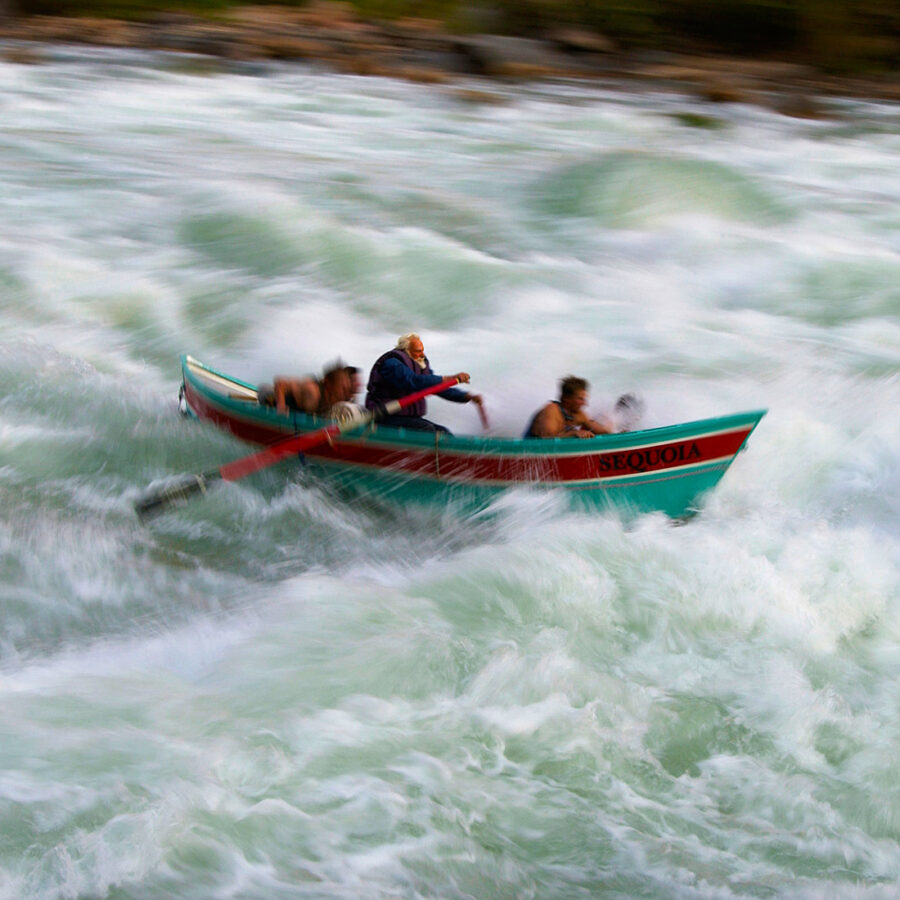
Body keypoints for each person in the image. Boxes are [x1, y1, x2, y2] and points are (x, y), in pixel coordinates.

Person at [364, 333, 483, 434]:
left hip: (409, 419)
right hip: (386, 418)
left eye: (422, 350)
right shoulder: (392, 364)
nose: (422, 355)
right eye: (418, 351)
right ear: (406, 351)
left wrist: (466, 396)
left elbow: (435, 387)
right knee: (427, 431)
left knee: (444, 433)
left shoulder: (419, 364)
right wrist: (449, 378)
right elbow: (412, 381)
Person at [524, 376, 615, 439]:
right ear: (567, 399)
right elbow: (546, 439)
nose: (585, 403)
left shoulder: (579, 414)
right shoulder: (551, 411)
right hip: (530, 451)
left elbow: (602, 431)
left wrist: (614, 427)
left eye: (584, 398)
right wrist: (573, 433)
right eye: (580, 399)